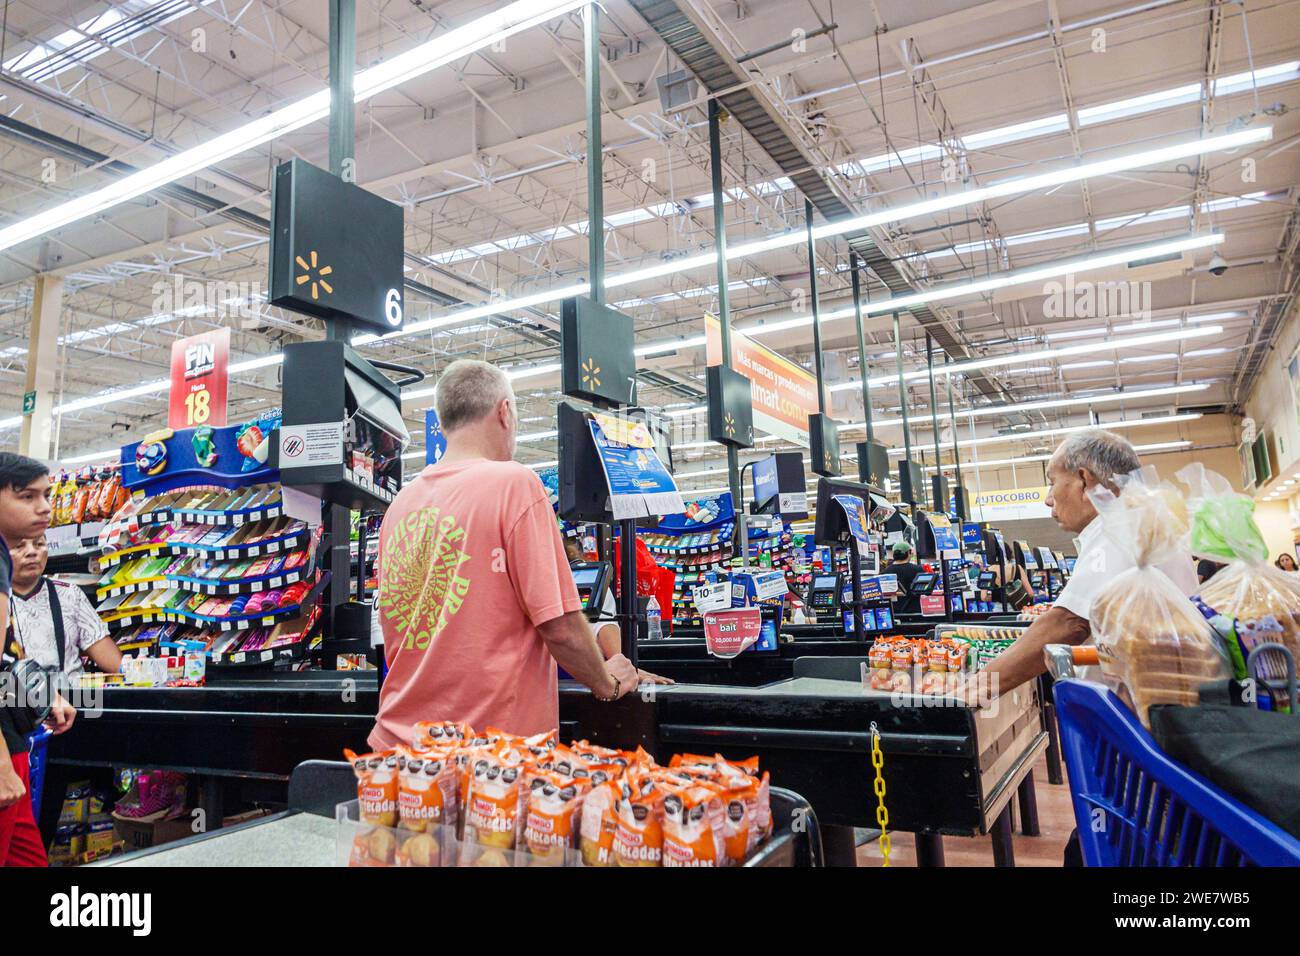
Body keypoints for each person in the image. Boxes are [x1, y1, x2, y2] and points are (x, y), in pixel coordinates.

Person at [368, 361, 640, 751]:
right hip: (492, 760)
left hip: (401, 748)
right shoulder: (513, 483)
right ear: (505, 412)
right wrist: (607, 681)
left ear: (443, 424)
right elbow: (560, 626)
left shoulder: (400, 507)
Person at [960, 430, 1197, 866]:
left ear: (1085, 479)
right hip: (1159, 730)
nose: (1049, 499)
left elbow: (1069, 622)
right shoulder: (1141, 520)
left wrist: (975, 688)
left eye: (1052, 482)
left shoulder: (1119, 529)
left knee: (1105, 847)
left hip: (1145, 740)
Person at [0, 453, 76, 867]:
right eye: (27, 496)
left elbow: (4, 658)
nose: (44, 507)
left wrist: (40, 693)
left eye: (46, 495)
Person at [9, 535, 122, 678]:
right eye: (19, 546)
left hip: (71, 698)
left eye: (38, 544)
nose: (32, 551)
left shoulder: (69, 594)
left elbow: (113, 660)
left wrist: (137, 672)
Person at [888, 541, 922, 615]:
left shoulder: (884, 573)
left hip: (893, 614)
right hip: (914, 614)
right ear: (908, 553)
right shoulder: (918, 570)